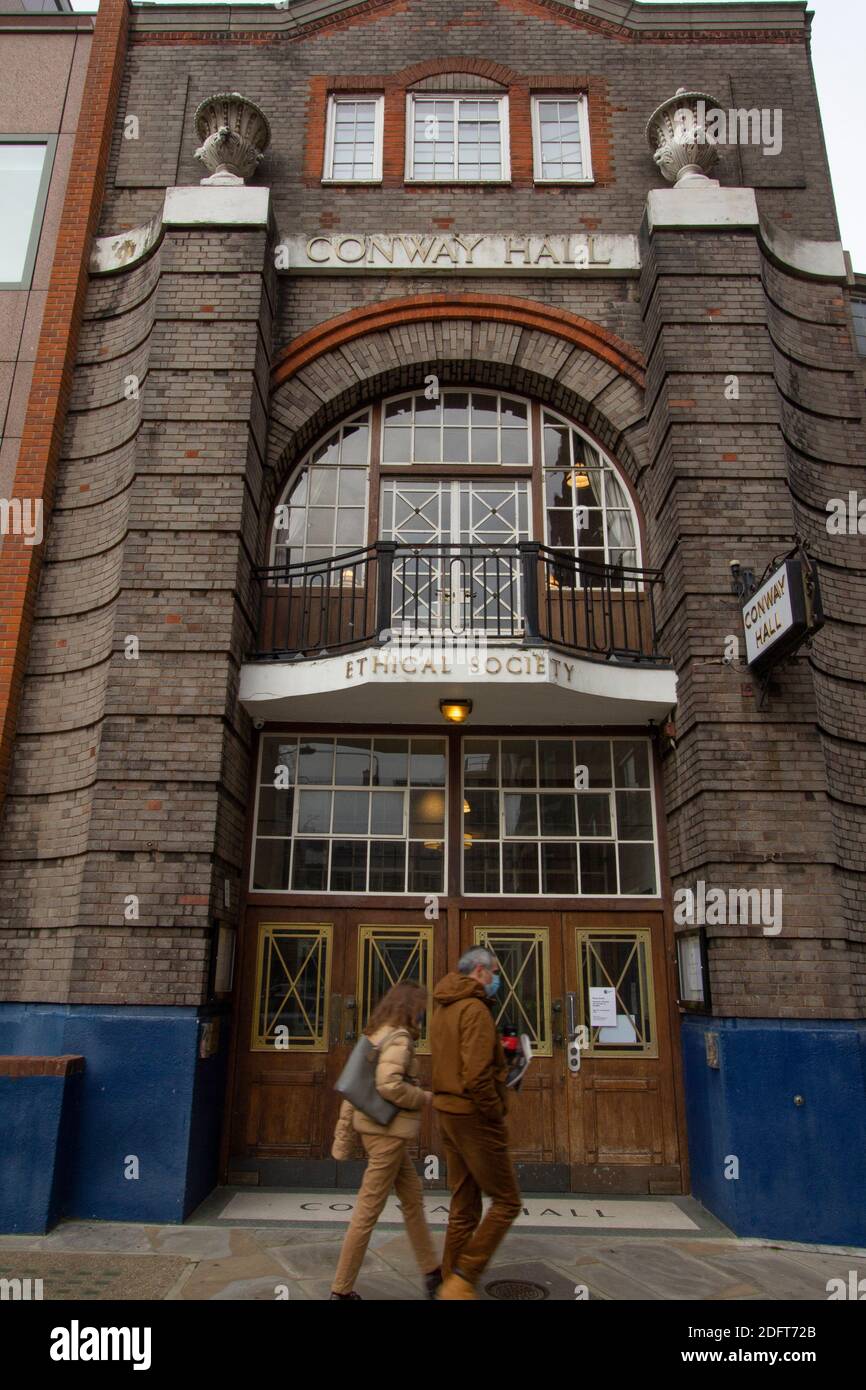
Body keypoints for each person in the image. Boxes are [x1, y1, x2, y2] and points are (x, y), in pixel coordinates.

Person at [330, 981, 442, 1300]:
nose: (423, 1013)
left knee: (412, 1197)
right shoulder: (400, 1038)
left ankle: (432, 1272)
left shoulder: (377, 1031)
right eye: (421, 1007)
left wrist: (344, 1134)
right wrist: (424, 1097)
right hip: (387, 1134)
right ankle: (341, 1290)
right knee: (368, 1211)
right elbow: (389, 1086)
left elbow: (352, 1088)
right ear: (411, 1007)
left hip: (376, 1131)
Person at [431, 947, 522, 1300]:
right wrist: (494, 1111)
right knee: (507, 1201)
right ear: (481, 972)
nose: (497, 979)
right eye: (495, 972)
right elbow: (477, 1075)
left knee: (464, 1206)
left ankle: (448, 1284)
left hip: (447, 1111)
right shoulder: (475, 1009)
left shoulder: (444, 1006)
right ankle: (464, 1275)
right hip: (473, 1115)